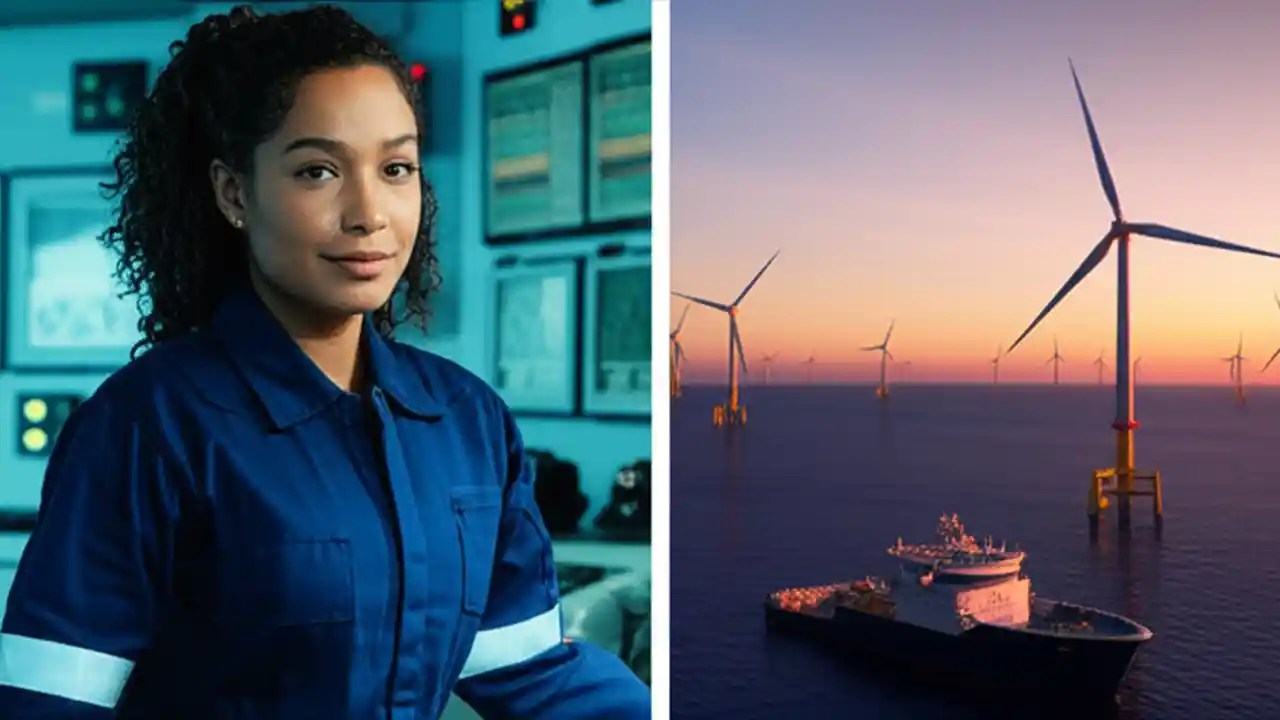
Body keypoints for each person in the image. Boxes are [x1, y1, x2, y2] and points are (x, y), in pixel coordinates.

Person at [0, 5, 650, 718]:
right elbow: (45, 704)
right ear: (234, 192)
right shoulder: (145, 428)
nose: (369, 211)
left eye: (396, 167)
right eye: (318, 171)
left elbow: (530, 673)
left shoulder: (470, 421)